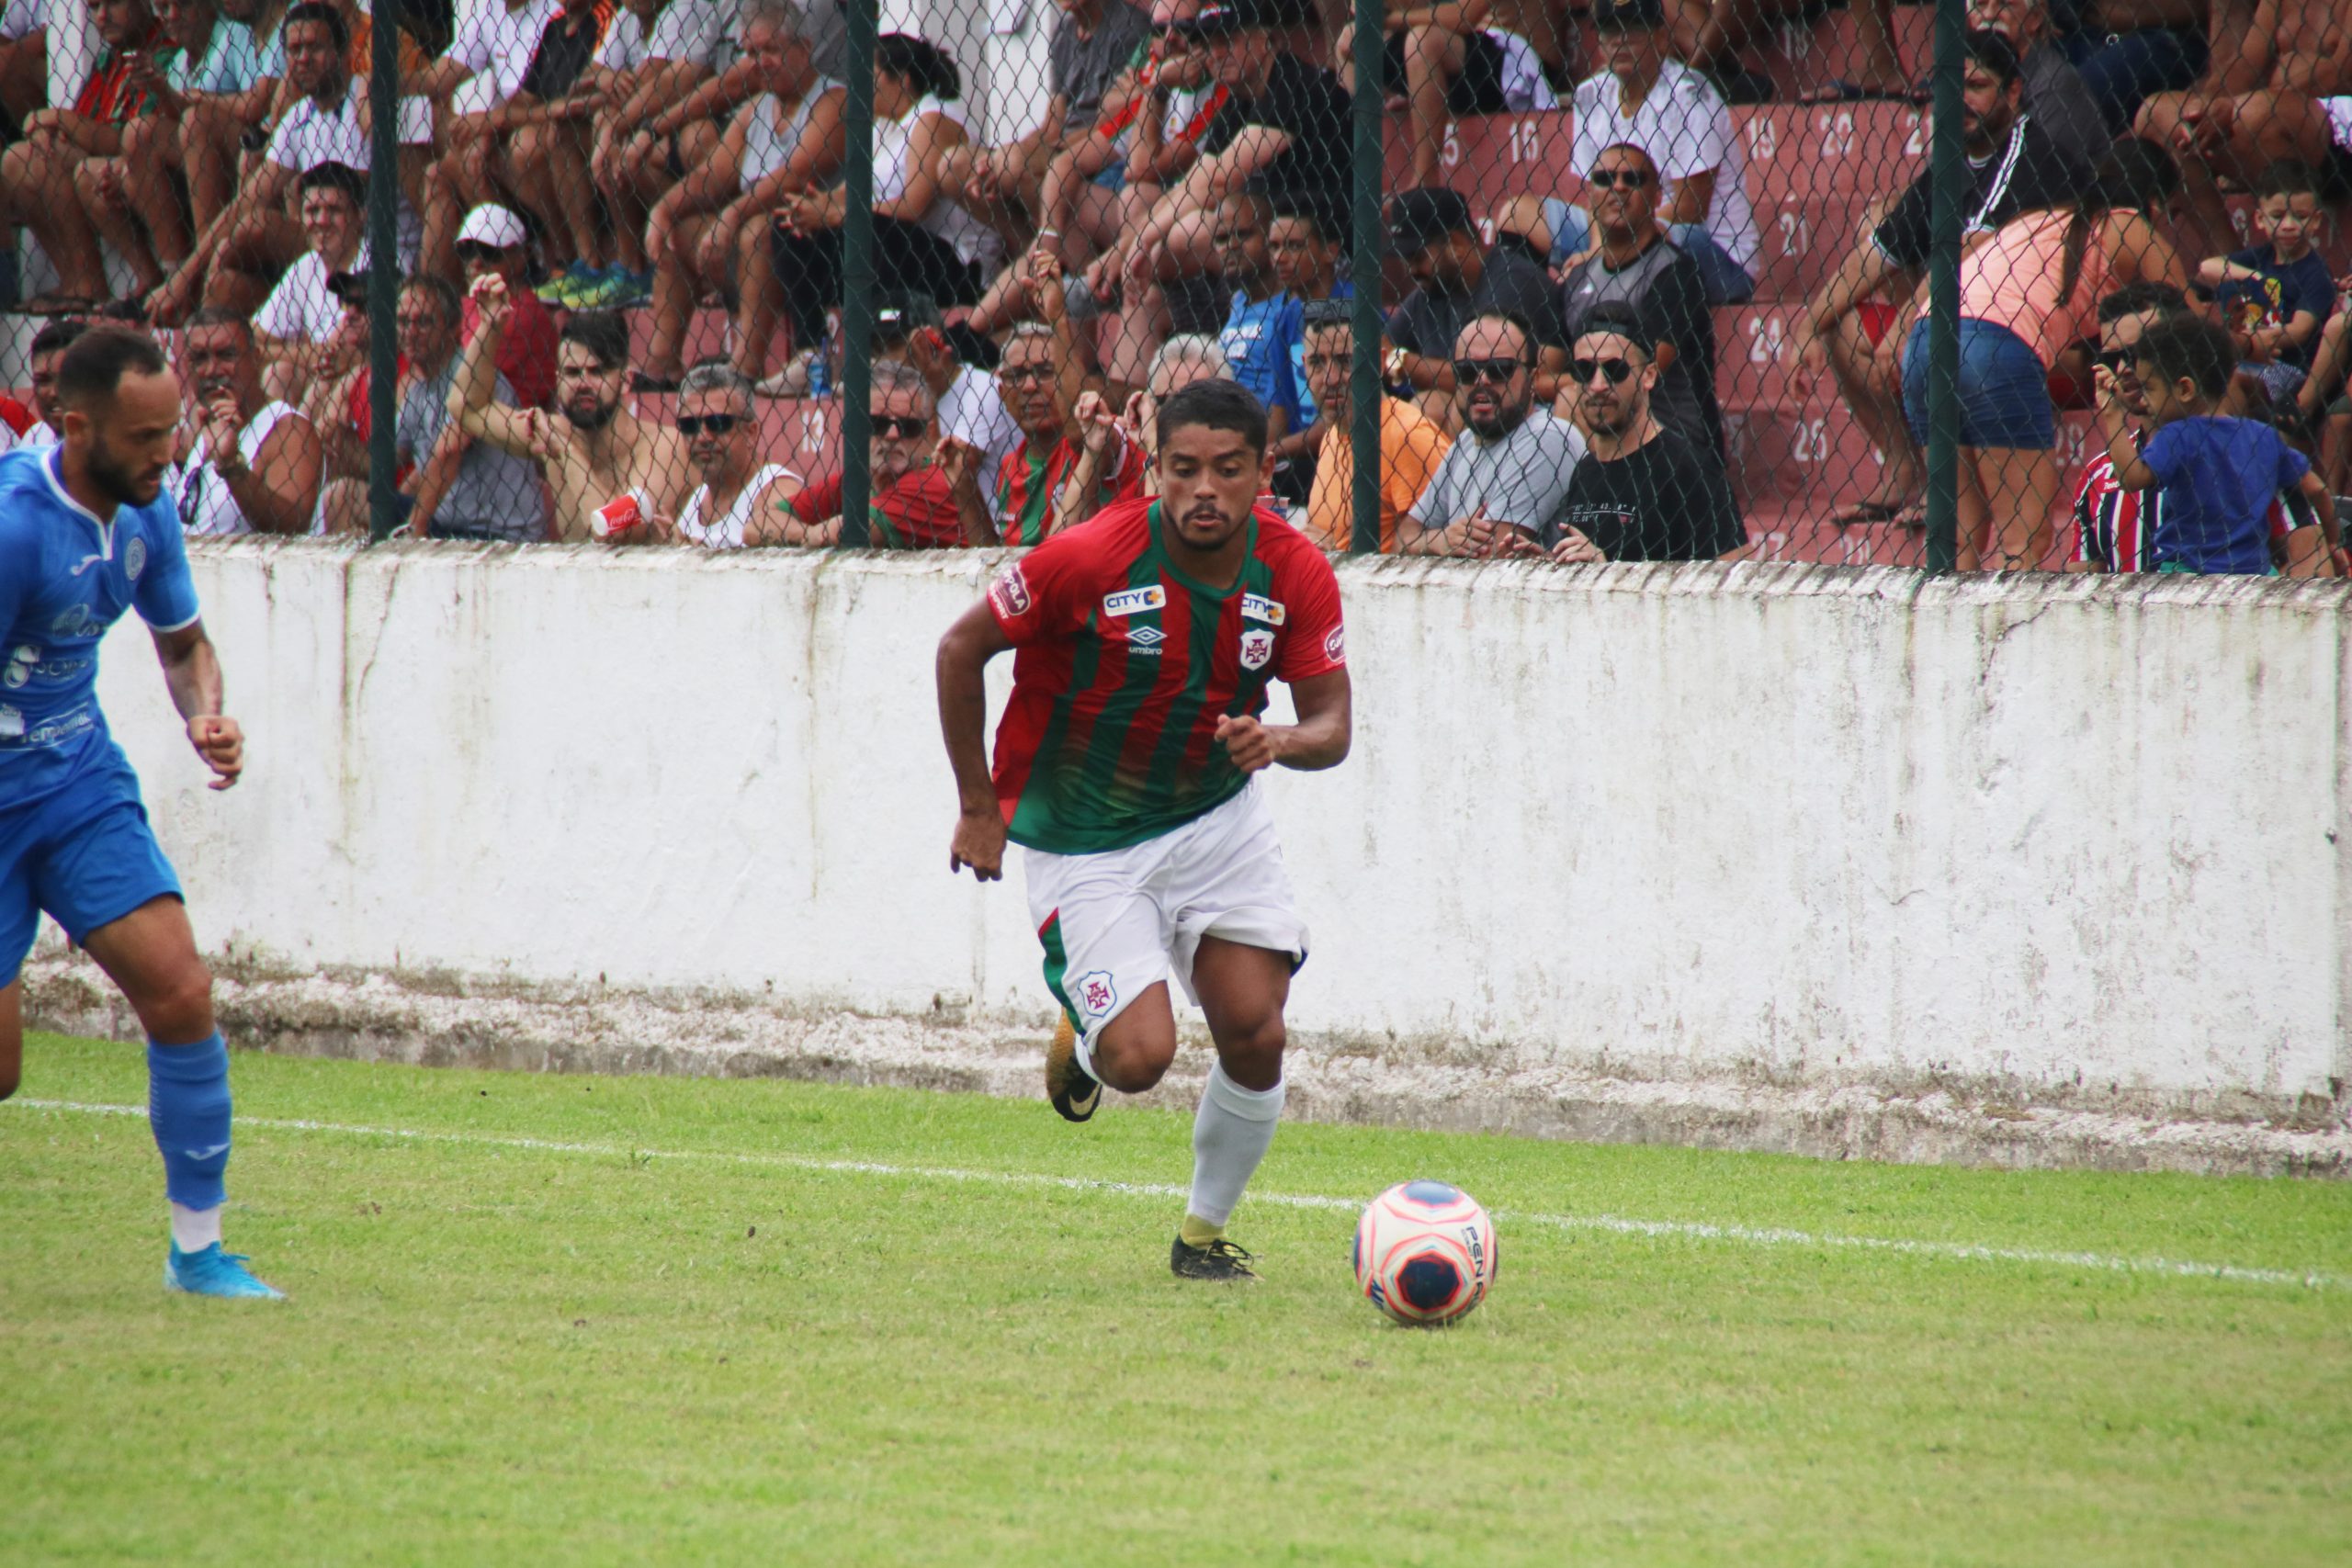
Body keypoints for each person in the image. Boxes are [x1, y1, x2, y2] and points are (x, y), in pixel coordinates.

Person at [934, 377, 1352, 1282]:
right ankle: (1087, 1034)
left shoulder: (1294, 570)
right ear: (1155, 469)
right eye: (1183, 468)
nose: (1205, 490)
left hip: (1214, 822)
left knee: (1257, 1031)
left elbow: (1332, 726)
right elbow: (960, 648)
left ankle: (1202, 1236)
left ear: (1263, 475)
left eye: (1228, 470)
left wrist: (1279, 739)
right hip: (1087, 837)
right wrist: (978, 807)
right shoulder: (1089, 557)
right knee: (1137, 1060)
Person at [0, 324, 280, 1298]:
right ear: (75, 427)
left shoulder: (149, 512)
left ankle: (198, 1254)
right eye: (146, 437)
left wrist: (206, 715)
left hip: (76, 781)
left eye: (172, 432)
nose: (168, 455)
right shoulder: (14, 532)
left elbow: (183, 645)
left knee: (182, 990)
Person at [1788, 29, 2093, 525]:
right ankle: (1906, 474)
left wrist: (1906, 326)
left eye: (1977, 85)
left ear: (2014, 91)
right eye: (1951, 86)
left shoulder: (2033, 156)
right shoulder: (1952, 162)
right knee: (1843, 325)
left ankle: (1952, 494)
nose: (1961, 99)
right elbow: (1877, 254)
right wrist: (1806, 325)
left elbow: (1970, 257)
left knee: (1937, 341)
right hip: (1969, 333)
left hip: (2048, 348)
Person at [1897, 175, 2183, 570]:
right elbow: (2188, 324)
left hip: (1925, 342)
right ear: (2153, 203)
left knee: (1959, 534)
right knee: (2024, 538)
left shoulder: (2035, 223)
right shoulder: (2128, 223)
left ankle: (1947, 610)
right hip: (1996, 345)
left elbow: (2052, 352)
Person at [156, 2, 433, 324]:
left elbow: (357, 192)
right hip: (322, 245)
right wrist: (185, 276)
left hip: (382, 250)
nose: (303, 58)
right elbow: (248, 200)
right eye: (294, 50)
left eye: (314, 47)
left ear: (343, 51)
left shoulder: (365, 99)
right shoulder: (298, 117)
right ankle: (195, 325)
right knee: (224, 282)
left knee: (254, 226)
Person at [637, 0, 845, 388]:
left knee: (757, 228)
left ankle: (745, 369)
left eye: (771, 50)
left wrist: (731, 216)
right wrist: (662, 211)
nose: (759, 62)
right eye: (751, 52)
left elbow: (795, 176)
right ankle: (661, 364)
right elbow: (711, 175)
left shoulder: (834, 101)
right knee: (679, 230)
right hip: (752, 251)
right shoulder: (754, 109)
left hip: (815, 249)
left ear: (804, 47)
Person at [766, 32, 1000, 375]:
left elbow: (914, 206)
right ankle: (811, 354)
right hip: (896, 255)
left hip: (953, 264)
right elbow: (848, 192)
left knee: (867, 226)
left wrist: (838, 214)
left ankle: (882, 355)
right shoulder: (886, 128)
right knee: (790, 227)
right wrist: (814, 208)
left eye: (869, 77)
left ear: (901, 80)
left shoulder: (933, 119)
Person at [1501, 0, 1758, 307]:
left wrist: (1605, 251)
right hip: (1618, 231)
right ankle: (1535, 318)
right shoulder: (1591, 95)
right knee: (1518, 214)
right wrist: (1599, 246)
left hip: (1712, 253)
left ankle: (1610, 293)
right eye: (1610, 31)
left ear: (1660, 37)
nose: (1620, 41)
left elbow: (1691, 209)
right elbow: (1596, 197)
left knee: (1661, 234)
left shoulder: (1690, 94)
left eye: (1633, 29)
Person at [2073, 284, 2336, 574]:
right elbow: (2082, 583)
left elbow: (2310, 561)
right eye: (2111, 358)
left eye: (2139, 352)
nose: (2124, 368)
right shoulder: (2098, 475)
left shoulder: (2253, 456)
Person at [450, 288, 695, 542]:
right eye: (572, 373)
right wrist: (490, 327)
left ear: (626, 381)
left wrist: (565, 451)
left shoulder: (664, 447)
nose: (583, 384)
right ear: (558, 380)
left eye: (597, 372)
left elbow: (612, 529)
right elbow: (466, 407)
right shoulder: (550, 432)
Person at [321, 275, 546, 540]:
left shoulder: (473, 376)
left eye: (424, 322)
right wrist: (340, 439)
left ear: (453, 327)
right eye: (403, 321)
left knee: (357, 502)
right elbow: (385, 462)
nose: (411, 332)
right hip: (448, 524)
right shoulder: (419, 392)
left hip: (495, 532)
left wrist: (414, 528)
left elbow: (449, 451)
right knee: (341, 495)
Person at [76, 0, 265, 305]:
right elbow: (169, 124)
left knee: (181, 125)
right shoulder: (178, 62)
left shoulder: (231, 35)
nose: (173, 16)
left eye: (184, 4)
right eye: (163, 8)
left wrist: (187, 97)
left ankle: (200, 278)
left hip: (241, 156)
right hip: (191, 164)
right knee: (100, 170)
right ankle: (167, 275)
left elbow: (250, 109)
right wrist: (124, 169)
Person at [2132, 0, 2352, 261]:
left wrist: (2240, 105)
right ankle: (2230, 262)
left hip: (2338, 129)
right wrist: (2210, 106)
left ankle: (2292, 266)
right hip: (2279, 112)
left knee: (2259, 111)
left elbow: (2340, 74)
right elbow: (2245, 64)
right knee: (2157, 113)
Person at [953, 254, 1145, 547]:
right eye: (1017, 375)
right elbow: (999, 562)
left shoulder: (1095, 444)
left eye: (1045, 371)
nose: (1030, 386)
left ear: (1068, 375)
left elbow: (1079, 431)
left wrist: (1057, 318)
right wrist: (964, 490)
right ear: (1002, 394)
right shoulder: (1011, 466)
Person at [938, 0, 1152, 252]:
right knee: (953, 164)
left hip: (1094, 151)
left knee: (1013, 163)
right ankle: (1028, 248)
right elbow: (1051, 123)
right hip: (1058, 145)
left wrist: (1023, 154)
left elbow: (1110, 123)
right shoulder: (1065, 31)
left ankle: (1071, 260)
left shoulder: (1128, 26)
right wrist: (1003, 155)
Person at [1553, 141, 1722, 459]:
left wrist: (1579, 377)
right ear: (1590, 195)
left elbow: (1643, 373)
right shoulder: (1576, 279)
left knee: (1571, 399)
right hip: (1602, 419)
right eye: (1605, 179)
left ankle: (1593, 490)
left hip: (1674, 439)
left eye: (1632, 179)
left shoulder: (1675, 272)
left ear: (1657, 197)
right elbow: (1539, 376)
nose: (1618, 187)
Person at [2, 0, 164, 314]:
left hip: (146, 174)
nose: (102, 16)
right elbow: (82, 125)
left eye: (113, 3)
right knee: (20, 159)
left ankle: (152, 280)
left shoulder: (160, 53)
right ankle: (82, 282)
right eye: (93, 7)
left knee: (77, 165)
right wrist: (48, 130)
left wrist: (59, 120)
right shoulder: (108, 60)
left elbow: (124, 139)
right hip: (98, 167)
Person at [1550, 302, 1745, 563]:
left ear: (1649, 375)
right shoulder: (1585, 471)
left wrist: (1608, 573)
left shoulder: (1688, 470)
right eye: (1584, 370)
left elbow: (1734, 576)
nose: (1598, 385)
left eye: (1615, 370)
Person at [1398, 310, 1587, 555]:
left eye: (1500, 369)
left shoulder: (1548, 437)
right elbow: (1401, 539)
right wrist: (1438, 540)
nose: (1482, 380)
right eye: (1467, 370)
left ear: (1532, 378)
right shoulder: (1465, 442)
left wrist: (1429, 542)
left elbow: (1492, 555)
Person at [1382, 187, 1566, 432]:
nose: (1411, 270)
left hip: (1528, 420)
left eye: (1417, 257)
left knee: (1433, 404)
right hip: (1477, 418)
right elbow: (1381, 346)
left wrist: (1404, 363)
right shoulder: (1432, 291)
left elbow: (1487, 378)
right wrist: (1394, 359)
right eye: (1406, 259)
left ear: (1456, 244)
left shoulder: (1512, 282)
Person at [1333, 0, 1559, 188]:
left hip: (1514, 60)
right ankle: (1364, 179)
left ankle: (1425, 178)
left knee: (1422, 42)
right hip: (1461, 53)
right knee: (1350, 38)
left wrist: (1383, 17)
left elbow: (1463, 17)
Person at [1297, 299, 1450, 552]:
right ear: (1304, 365)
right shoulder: (1332, 435)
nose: (1330, 379)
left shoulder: (1408, 435)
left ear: (1378, 362)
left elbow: (1434, 550)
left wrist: (1334, 554)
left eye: (1345, 361)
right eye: (1317, 363)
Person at [780, 360, 968, 547]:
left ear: (929, 434)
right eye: (878, 423)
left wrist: (805, 533)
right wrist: (808, 534)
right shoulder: (859, 477)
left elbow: (841, 533)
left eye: (908, 426)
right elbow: (766, 520)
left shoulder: (930, 485)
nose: (892, 435)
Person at [171, 306, 321, 535]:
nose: (211, 370)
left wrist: (231, 465)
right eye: (199, 359)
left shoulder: (289, 429)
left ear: (256, 358)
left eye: (226, 355)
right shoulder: (205, 426)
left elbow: (292, 527)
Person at [2196, 160, 2334, 408]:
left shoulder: (2315, 272)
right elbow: (2207, 268)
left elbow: (2300, 330)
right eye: (2278, 216)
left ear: (2316, 220)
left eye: (2300, 216)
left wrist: (2252, 341)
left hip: (2286, 367)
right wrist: (2256, 278)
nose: (2289, 225)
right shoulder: (2261, 257)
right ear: (2260, 219)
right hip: (2246, 354)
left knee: (2231, 379)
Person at [869, 290, 1020, 490]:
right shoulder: (900, 400)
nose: (881, 360)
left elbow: (948, 479)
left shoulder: (983, 391)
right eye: (876, 349)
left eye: (892, 347)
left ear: (930, 340)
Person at [252, 159, 366, 405]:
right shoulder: (307, 265)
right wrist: (309, 352)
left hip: (361, 386)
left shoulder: (374, 266)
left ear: (359, 215)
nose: (321, 220)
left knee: (317, 380)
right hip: (317, 378)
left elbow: (344, 356)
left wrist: (293, 349)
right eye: (312, 211)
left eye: (334, 210)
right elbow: (253, 341)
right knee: (279, 374)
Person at [671, 361, 802, 547]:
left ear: (751, 433)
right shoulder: (697, 500)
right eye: (689, 425)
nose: (703, 437)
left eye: (718, 423)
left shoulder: (777, 492)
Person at [1211, 191, 1299, 446]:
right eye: (1221, 238)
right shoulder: (1237, 302)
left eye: (1243, 234)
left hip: (1261, 438)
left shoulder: (1293, 304)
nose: (1231, 245)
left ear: (1271, 237)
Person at [453, 203, 557, 411]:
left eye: (488, 252)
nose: (475, 262)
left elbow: (471, 381)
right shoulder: (471, 300)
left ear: (521, 255)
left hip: (511, 418)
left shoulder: (522, 314)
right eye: (467, 251)